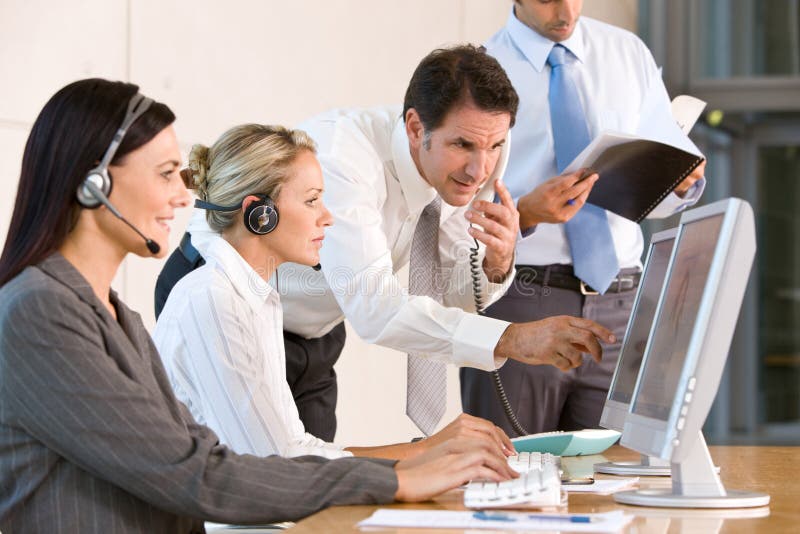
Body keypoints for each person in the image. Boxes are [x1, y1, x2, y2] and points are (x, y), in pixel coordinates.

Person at [0, 78, 517, 533]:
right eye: (163, 174)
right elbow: (194, 473)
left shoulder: (118, 317)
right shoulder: (39, 312)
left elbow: (214, 461)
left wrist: (413, 466)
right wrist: (405, 471)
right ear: (96, 184)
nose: (184, 200)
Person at [157, 44, 616, 439]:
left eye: (495, 146)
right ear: (416, 128)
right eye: (464, 146)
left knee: (312, 489)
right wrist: (513, 338)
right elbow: (376, 309)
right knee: (249, 482)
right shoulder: (342, 159)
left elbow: (450, 294)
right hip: (232, 302)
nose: (481, 170)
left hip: (315, 331)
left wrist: (496, 265)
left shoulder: (468, 165)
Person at [154, 123, 517, 461]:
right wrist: (429, 452)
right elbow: (280, 463)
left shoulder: (256, 299)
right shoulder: (214, 302)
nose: (328, 217)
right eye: (312, 200)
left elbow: (298, 448)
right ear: (259, 215)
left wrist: (429, 454)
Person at [461, 0, 707, 435]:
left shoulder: (627, 53)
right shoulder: (478, 70)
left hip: (623, 302)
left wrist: (679, 182)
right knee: (512, 471)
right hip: (522, 300)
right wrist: (528, 213)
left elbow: (657, 185)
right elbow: (454, 209)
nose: (565, 11)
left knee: (619, 479)